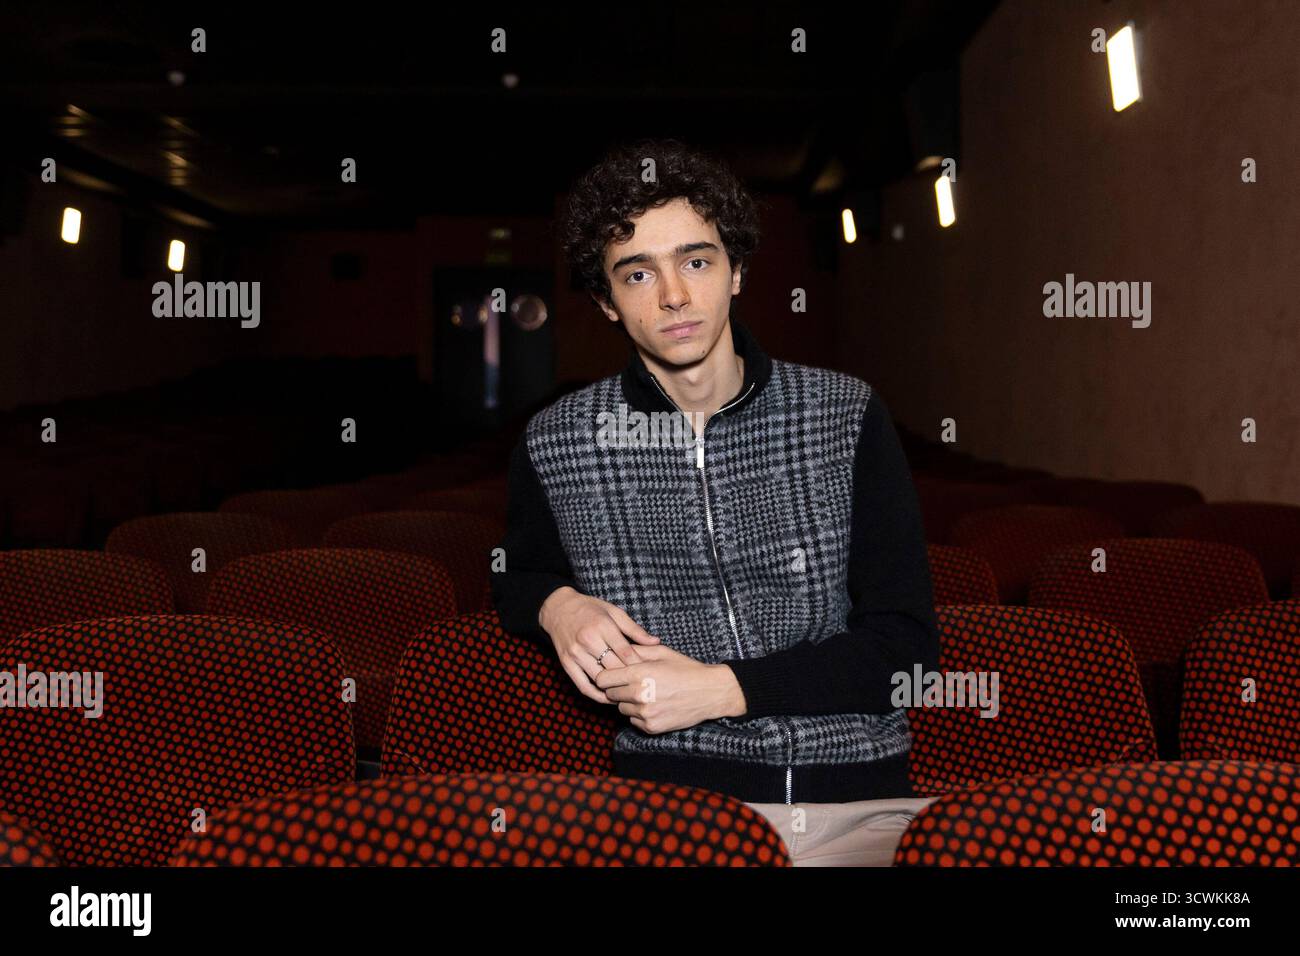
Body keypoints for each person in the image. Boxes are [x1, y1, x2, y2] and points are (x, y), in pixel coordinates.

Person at [490, 138, 942, 866]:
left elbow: (906, 650)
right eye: (638, 274)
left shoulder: (843, 414)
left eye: (696, 261)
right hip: (674, 809)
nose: (673, 295)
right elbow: (516, 571)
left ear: (736, 271)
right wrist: (555, 605)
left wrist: (722, 691)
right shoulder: (557, 441)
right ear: (606, 301)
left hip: (857, 797)